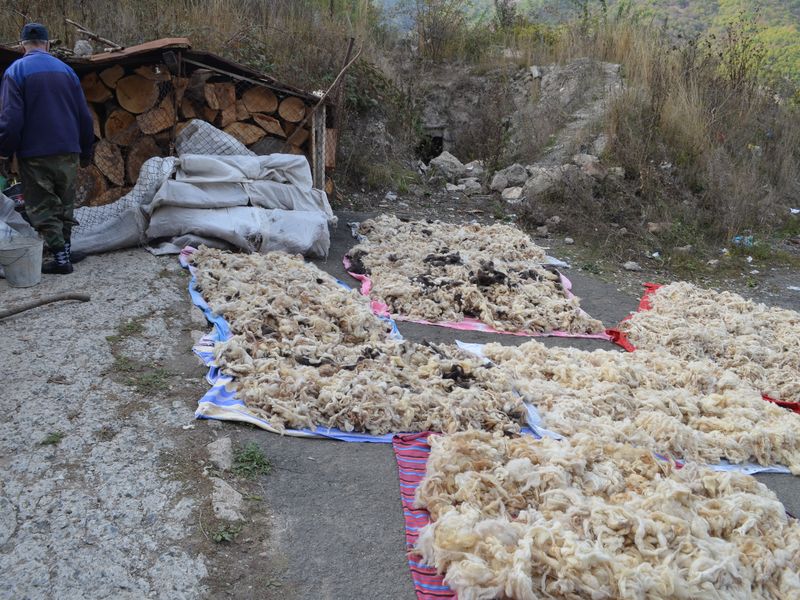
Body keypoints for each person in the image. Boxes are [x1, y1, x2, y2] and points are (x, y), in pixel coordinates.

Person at [0, 23, 94, 274]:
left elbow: (11, 119)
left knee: (42, 206)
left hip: (35, 152)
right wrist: (86, 150)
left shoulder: (15, 71)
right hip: (69, 149)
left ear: (22, 46)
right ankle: (65, 249)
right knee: (65, 202)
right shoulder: (66, 71)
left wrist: (4, 151)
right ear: (48, 43)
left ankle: (61, 258)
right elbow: (84, 116)